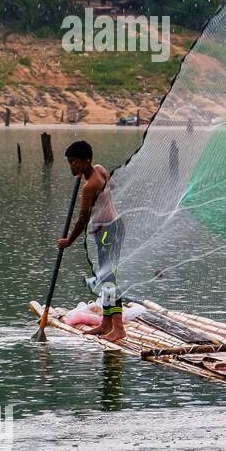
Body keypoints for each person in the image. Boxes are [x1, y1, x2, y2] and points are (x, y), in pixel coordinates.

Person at [57, 140, 126, 344]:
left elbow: (82, 218)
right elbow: (112, 187)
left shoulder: (89, 186)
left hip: (108, 231)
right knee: (106, 276)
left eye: (75, 162)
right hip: (111, 227)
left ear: (87, 160)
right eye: (69, 162)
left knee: (109, 279)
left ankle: (119, 328)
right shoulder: (100, 170)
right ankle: (106, 324)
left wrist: (69, 240)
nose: (72, 166)